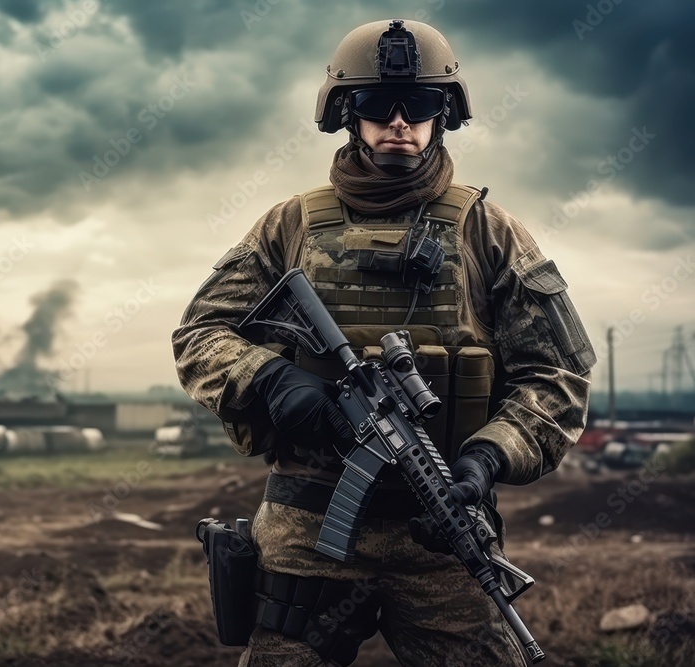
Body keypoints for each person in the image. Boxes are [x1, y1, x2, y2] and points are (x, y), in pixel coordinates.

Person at [173, 19, 595, 667]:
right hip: (308, 523)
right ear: (347, 113)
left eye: (419, 104)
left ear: (444, 114)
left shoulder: (490, 232)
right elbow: (199, 334)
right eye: (376, 104)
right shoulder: (290, 224)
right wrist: (271, 379)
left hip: (439, 535)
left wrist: (487, 457)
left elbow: (557, 377)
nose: (399, 121)